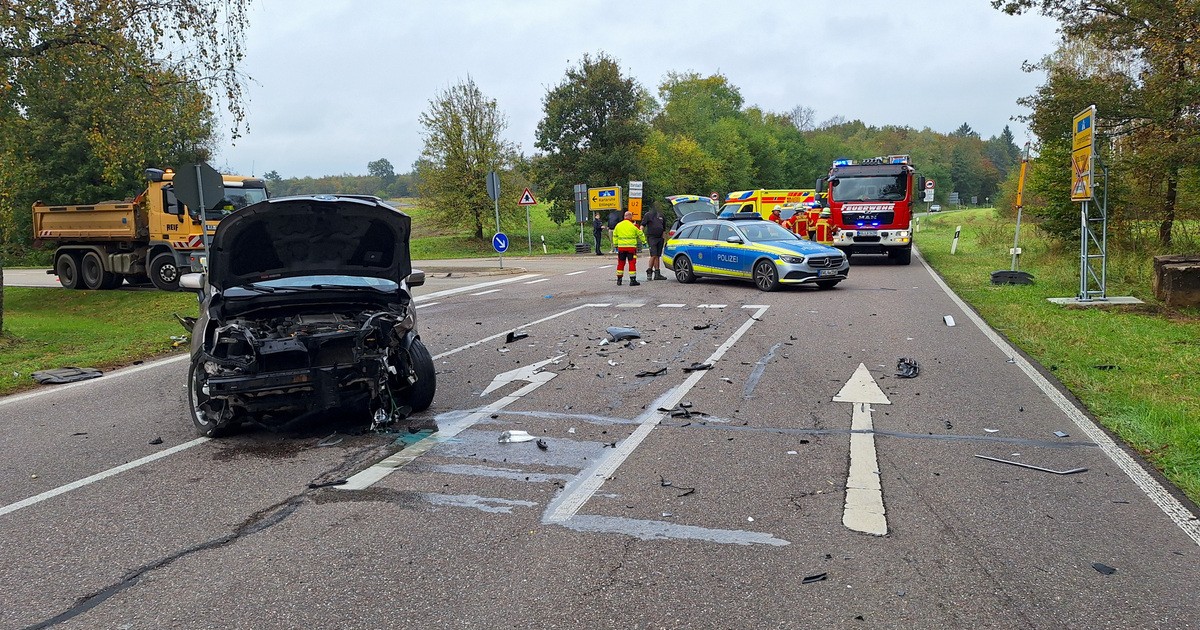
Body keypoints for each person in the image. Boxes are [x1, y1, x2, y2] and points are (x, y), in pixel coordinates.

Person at [612, 210, 647, 286]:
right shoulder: (634, 226)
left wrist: (615, 245)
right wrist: (644, 242)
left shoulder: (618, 225)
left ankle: (619, 280)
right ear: (630, 217)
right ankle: (632, 280)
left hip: (621, 248)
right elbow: (640, 234)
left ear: (624, 217)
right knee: (632, 263)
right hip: (631, 248)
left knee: (621, 263)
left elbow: (615, 236)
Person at [640, 205, 666, 280]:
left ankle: (657, 273)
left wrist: (663, 238)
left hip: (660, 238)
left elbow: (663, 228)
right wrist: (641, 235)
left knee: (657, 255)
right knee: (653, 255)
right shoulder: (648, 215)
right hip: (652, 238)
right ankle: (649, 270)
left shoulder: (661, 216)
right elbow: (642, 225)